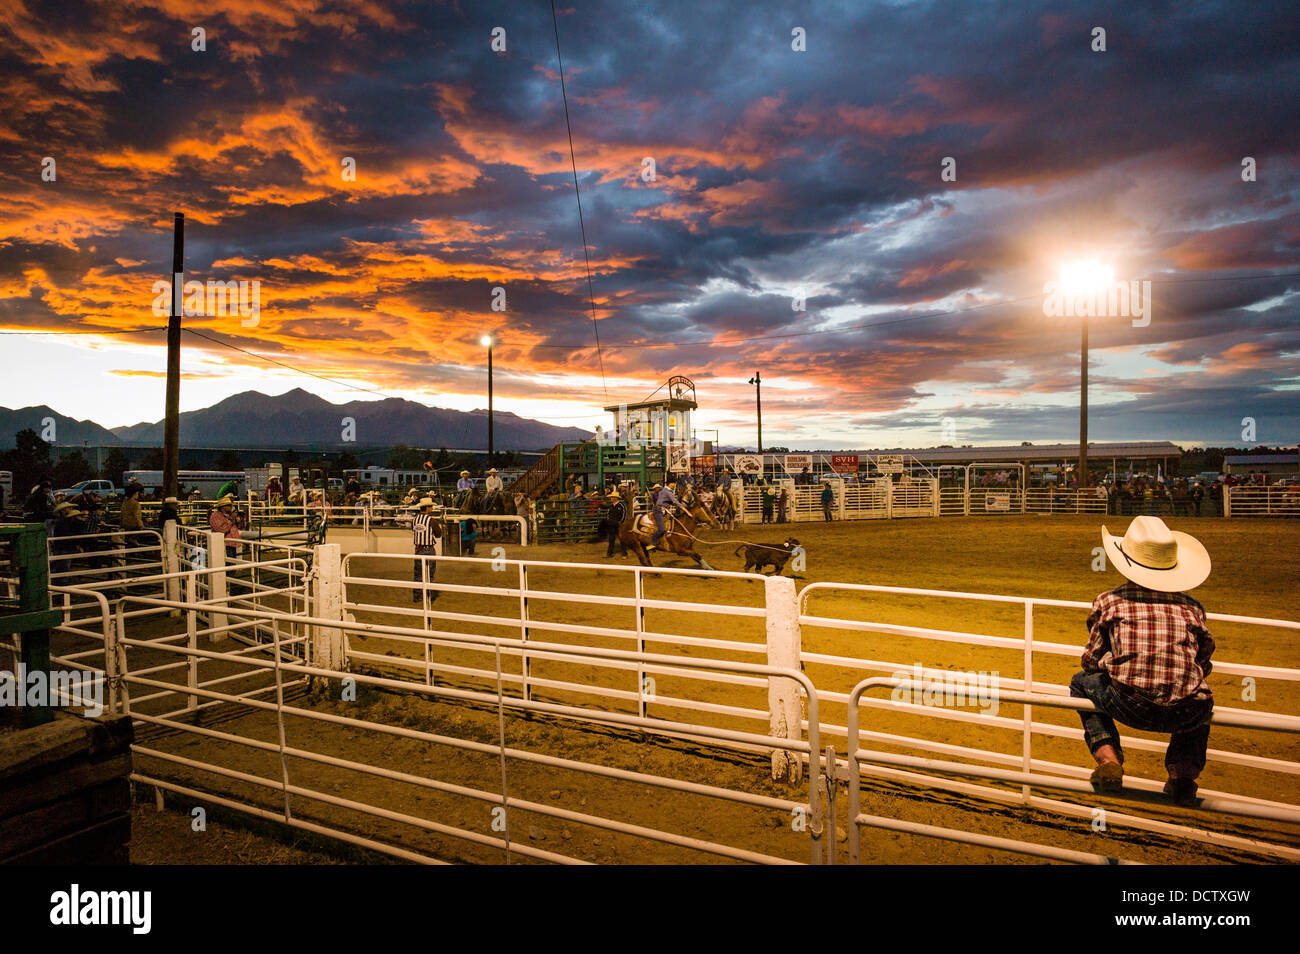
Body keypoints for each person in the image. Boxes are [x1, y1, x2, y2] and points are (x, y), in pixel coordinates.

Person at [1070, 516, 1215, 806]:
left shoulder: (1110, 602)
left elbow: (1091, 659)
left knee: (1080, 682)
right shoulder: (1192, 608)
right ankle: (1183, 776)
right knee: (1201, 697)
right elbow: (1205, 656)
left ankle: (1108, 758)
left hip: (1129, 702)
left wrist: (1114, 661)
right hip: (1184, 709)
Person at [411, 497, 442, 603]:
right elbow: (438, 534)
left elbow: (413, 530)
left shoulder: (414, 520)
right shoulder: (431, 520)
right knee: (430, 573)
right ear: (427, 508)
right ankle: (428, 596)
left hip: (418, 549)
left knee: (418, 573)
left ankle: (417, 596)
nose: (432, 508)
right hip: (428, 549)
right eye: (431, 507)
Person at [647, 482, 683, 552]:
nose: (657, 489)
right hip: (659, 509)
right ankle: (652, 543)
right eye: (656, 488)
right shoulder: (656, 494)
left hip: (663, 509)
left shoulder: (662, 493)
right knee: (662, 529)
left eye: (658, 488)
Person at [604, 487, 628, 557]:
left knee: (621, 539)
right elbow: (608, 515)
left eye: (612, 497)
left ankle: (624, 553)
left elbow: (624, 514)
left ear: (615, 498)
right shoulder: (611, 506)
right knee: (611, 539)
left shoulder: (621, 505)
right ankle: (609, 553)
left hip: (618, 524)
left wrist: (621, 522)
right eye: (611, 497)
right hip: (612, 525)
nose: (611, 498)